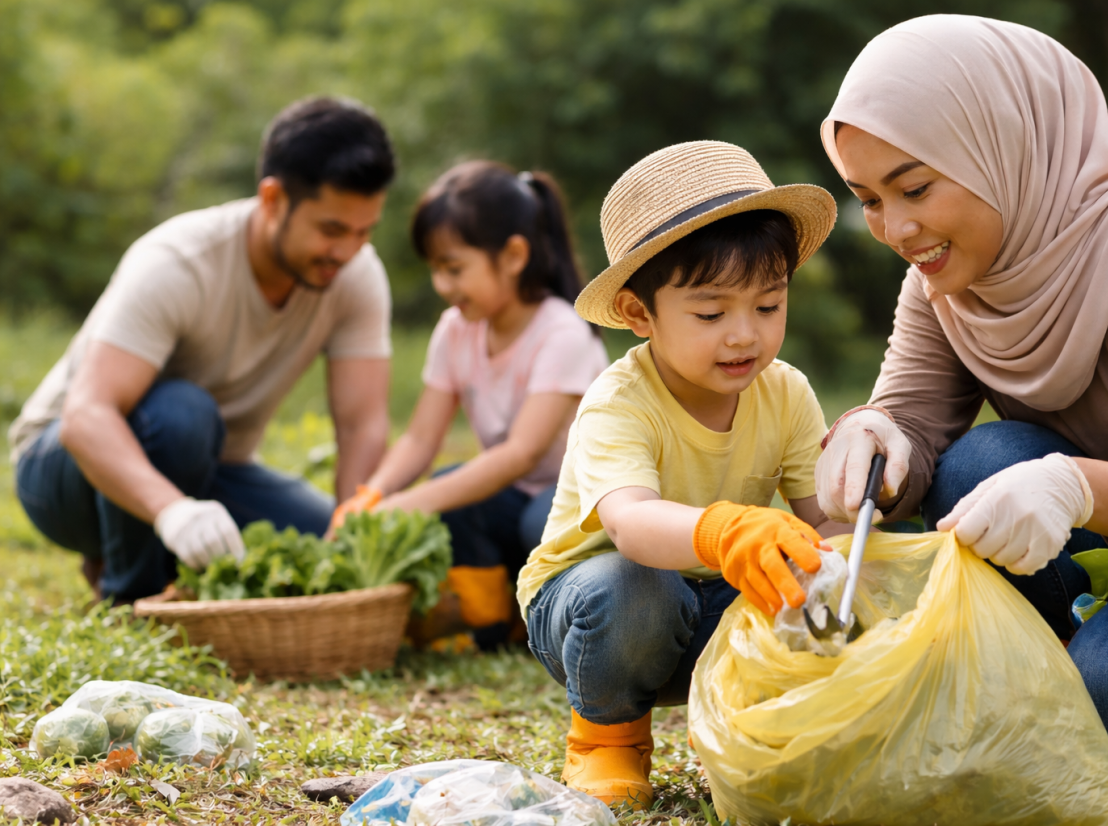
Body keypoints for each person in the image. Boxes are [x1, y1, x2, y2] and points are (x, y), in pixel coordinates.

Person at [815, 15, 1108, 776]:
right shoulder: (951, 275)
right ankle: (1083, 656)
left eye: (914, 187)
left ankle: (1099, 670)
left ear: (1003, 144)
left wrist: (1076, 487)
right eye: (870, 198)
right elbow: (910, 418)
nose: (897, 228)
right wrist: (871, 434)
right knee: (981, 462)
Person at [517, 141, 842, 808]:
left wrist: (839, 556)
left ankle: (736, 729)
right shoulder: (618, 402)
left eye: (768, 305)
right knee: (635, 585)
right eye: (710, 312)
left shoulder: (785, 393)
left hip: (709, 599)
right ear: (640, 314)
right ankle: (608, 740)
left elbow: (823, 517)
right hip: (592, 610)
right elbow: (632, 525)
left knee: (803, 579)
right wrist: (725, 529)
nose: (744, 335)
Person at [11, 96, 397, 602]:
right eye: (331, 230)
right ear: (274, 199)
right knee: (182, 413)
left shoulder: (357, 275)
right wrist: (172, 510)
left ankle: (153, 549)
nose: (346, 252)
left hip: (211, 474)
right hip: (65, 467)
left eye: (363, 232)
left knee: (317, 538)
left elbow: (361, 423)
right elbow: (87, 415)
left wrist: (351, 539)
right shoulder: (178, 262)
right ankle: (134, 597)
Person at [330, 161, 609, 648]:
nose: (443, 285)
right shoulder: (457, 330)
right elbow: (420, 437)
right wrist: (373, 495)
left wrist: (405, 504)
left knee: (531, 517)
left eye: (454, 268)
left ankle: (557, 616)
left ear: (514, 255)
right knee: (451, 495)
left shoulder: (562, 331)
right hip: (517, 496)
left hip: (584, 502)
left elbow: (520, 453)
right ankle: (491, 621)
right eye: (436, 269)